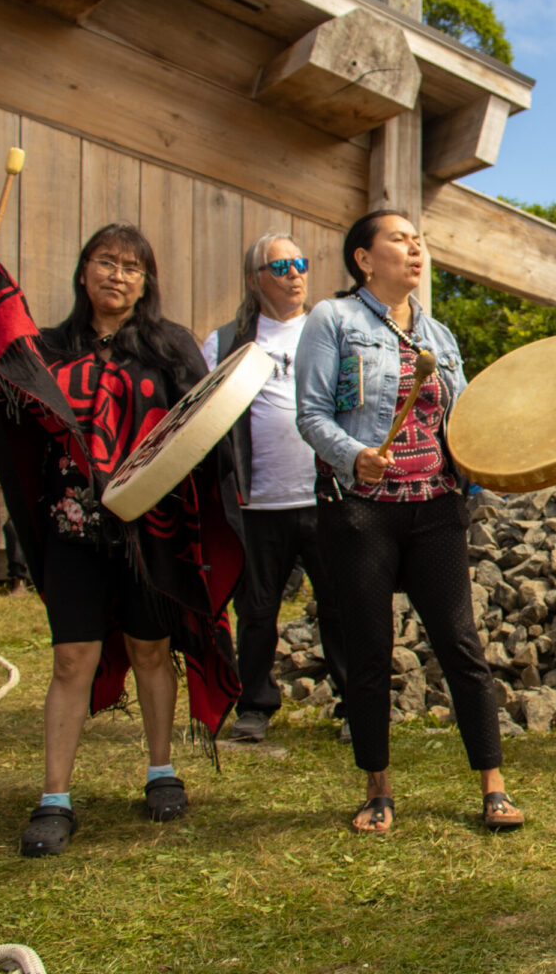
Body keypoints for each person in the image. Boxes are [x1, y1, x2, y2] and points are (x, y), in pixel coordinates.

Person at [0, 225, 243, 857]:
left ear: (146, 282)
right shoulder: (49, 349)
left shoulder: (168, 345)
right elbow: (6, 394)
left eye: (132, 267)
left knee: (151, 650)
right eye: (106, 262)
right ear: (83, 270)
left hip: (151, 530)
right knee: (72, 659)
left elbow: (207, 427)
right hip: (73, 527)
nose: (117, 276)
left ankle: (160, 772)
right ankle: (54, 799)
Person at [294, 209, 521, 833]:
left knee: (460, 643)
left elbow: (468, 419)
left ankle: (493, 787)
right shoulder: (332, 321)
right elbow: (311, 414)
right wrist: (354, 455)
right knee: (370, 649)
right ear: (364, 259)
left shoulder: (439, 336)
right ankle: (377, 788)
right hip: (363, 510)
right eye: (400, 239)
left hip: (436, 506)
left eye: (420, 241)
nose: (415, 249)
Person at [202, 234, 347, 744]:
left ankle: (354, 705)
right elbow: (202, 424)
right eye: (280, 265)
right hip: (258, 501)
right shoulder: (224, 343)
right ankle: (255, 706)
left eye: (299, 263)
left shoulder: (330, 331)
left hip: (325, 497)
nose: (294, 273)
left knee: (340, 604)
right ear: (254, 279)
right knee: (258, 610)